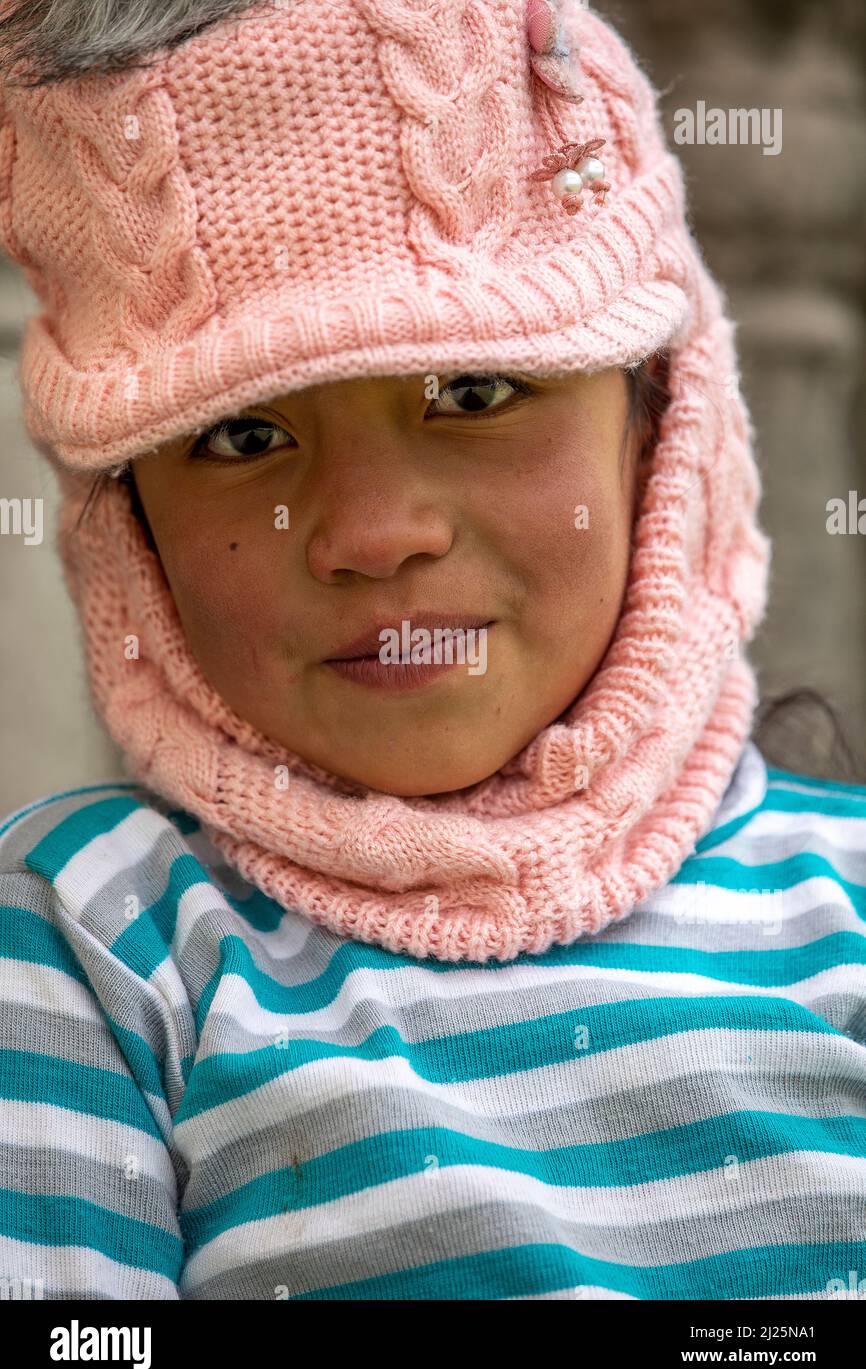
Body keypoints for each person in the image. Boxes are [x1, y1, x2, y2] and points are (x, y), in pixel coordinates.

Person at [0, 0, 864, 1301]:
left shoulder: (840, 912)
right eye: (241, 437)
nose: (371, 533)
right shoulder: (99, 939)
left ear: (659, 429)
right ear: (128, 527)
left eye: (473, 394)